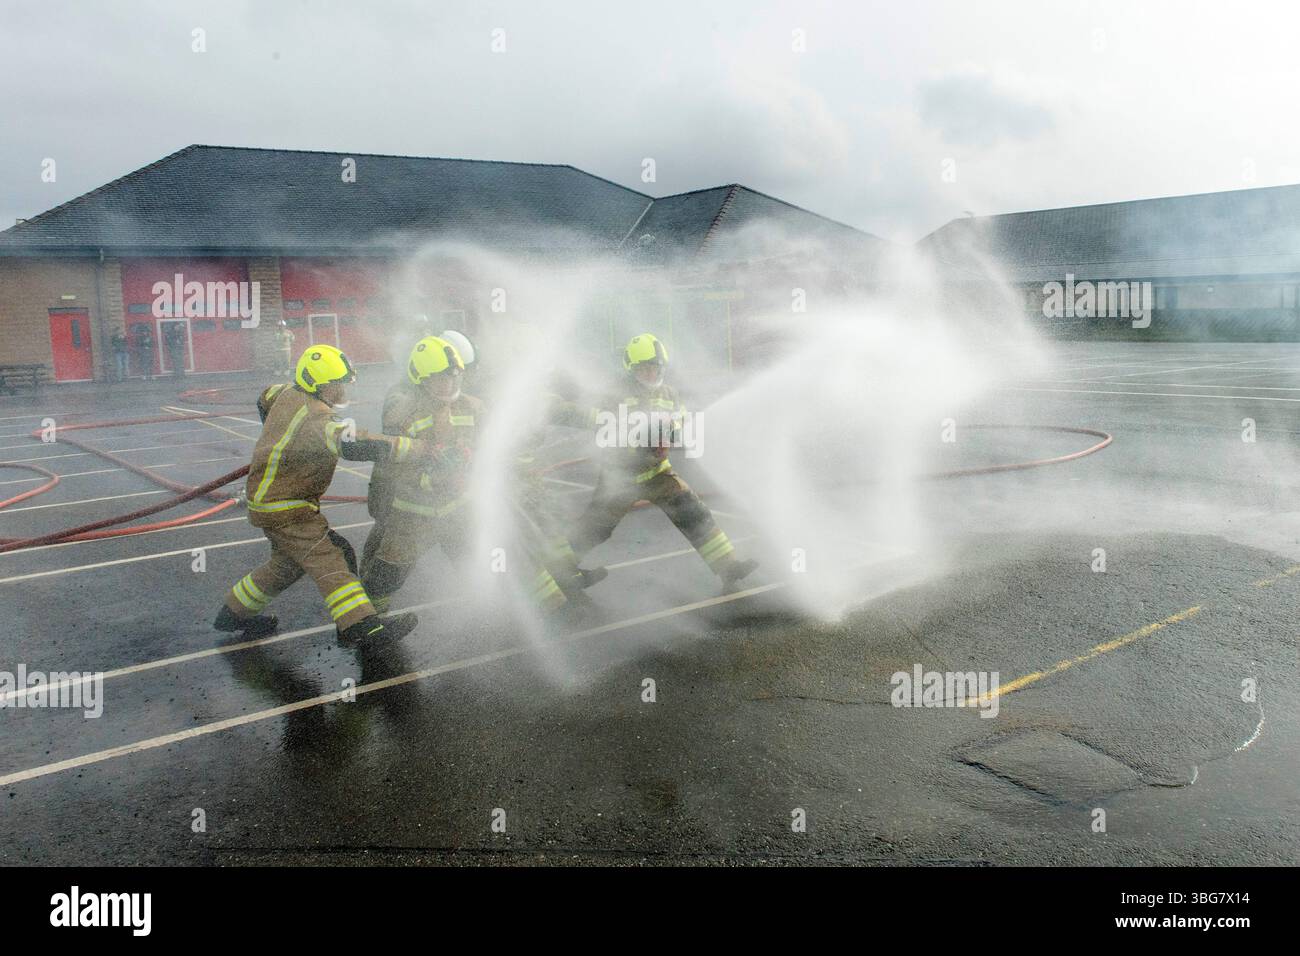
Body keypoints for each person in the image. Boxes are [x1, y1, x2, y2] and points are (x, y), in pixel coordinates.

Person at [214, 344, 441, 646]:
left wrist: (279, 437)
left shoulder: (284, 393)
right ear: (318, 386)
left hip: (269, 502)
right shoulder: (318, 419)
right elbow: (357, 445)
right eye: (336, 386)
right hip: (287, 508)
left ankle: (232, 613)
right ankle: (359, 625)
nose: (342, 391)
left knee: (286, 565)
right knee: (332, 555)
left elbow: (264, 398)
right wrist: (419, 450)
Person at [569, 333, 758, 593]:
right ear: (632, 369)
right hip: (620, 478)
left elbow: (679, 422)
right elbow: (604, 428)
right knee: (596, 529)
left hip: (657, 473)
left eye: (656, 367)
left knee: (693, 512)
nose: (651, 373)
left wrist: (672, 431)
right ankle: (561, 569)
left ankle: (728, 567)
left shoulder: (669, 394)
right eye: (645, 368)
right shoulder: (616, 394)